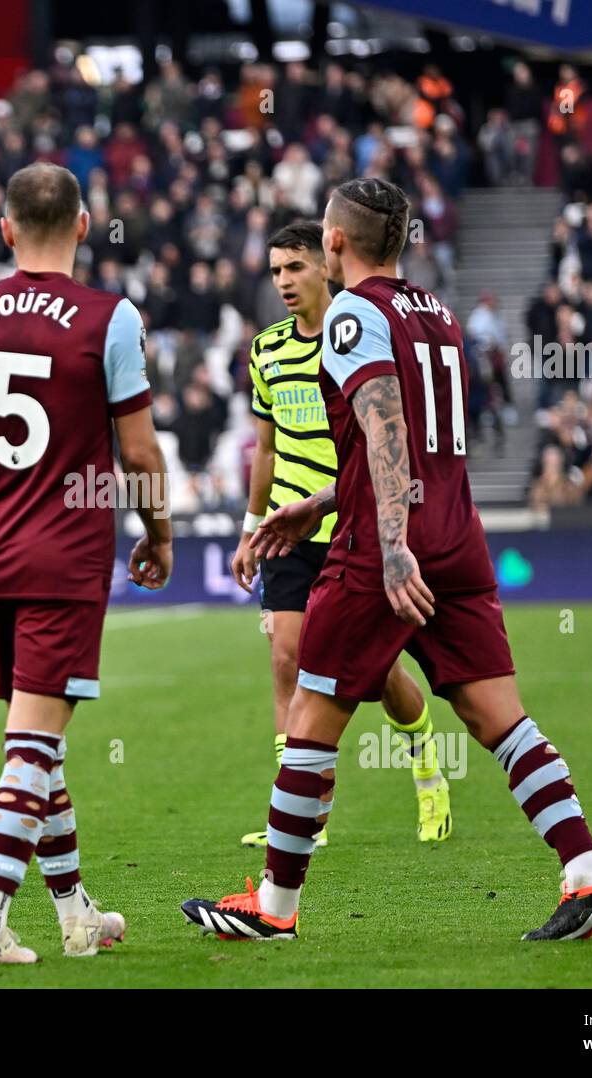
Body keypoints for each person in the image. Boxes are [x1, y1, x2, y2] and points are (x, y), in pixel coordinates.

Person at [183, 178, 592, 943]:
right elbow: (406, 439)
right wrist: (318, 503)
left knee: (311, 720)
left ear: (333, 243)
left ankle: (275, 909)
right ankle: (588, 874)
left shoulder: (353, 314)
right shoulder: (436, 312)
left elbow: (385, 424)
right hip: (458, 534)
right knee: (500, 718)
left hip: (385, 547)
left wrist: (389, 548)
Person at [0, 162, 172, 965]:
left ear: (5, 229)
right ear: (86, 225)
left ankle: (74, 912)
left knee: (38, 742)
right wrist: (159, 532)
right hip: (65, 558)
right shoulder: (110, 318)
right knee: (32, 745)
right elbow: (139, 450)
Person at [230, 219, 451, 850]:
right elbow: (265, 449)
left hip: (353, 521)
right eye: (274, 271)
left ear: (325, 264)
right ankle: (306, 816)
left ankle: (425, 758)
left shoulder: (357, 336)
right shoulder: (266, 348)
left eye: (294, 267)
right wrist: (250, 530)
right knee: (285, 658)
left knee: (372, 674)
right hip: (287, 528)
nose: (283, 282)